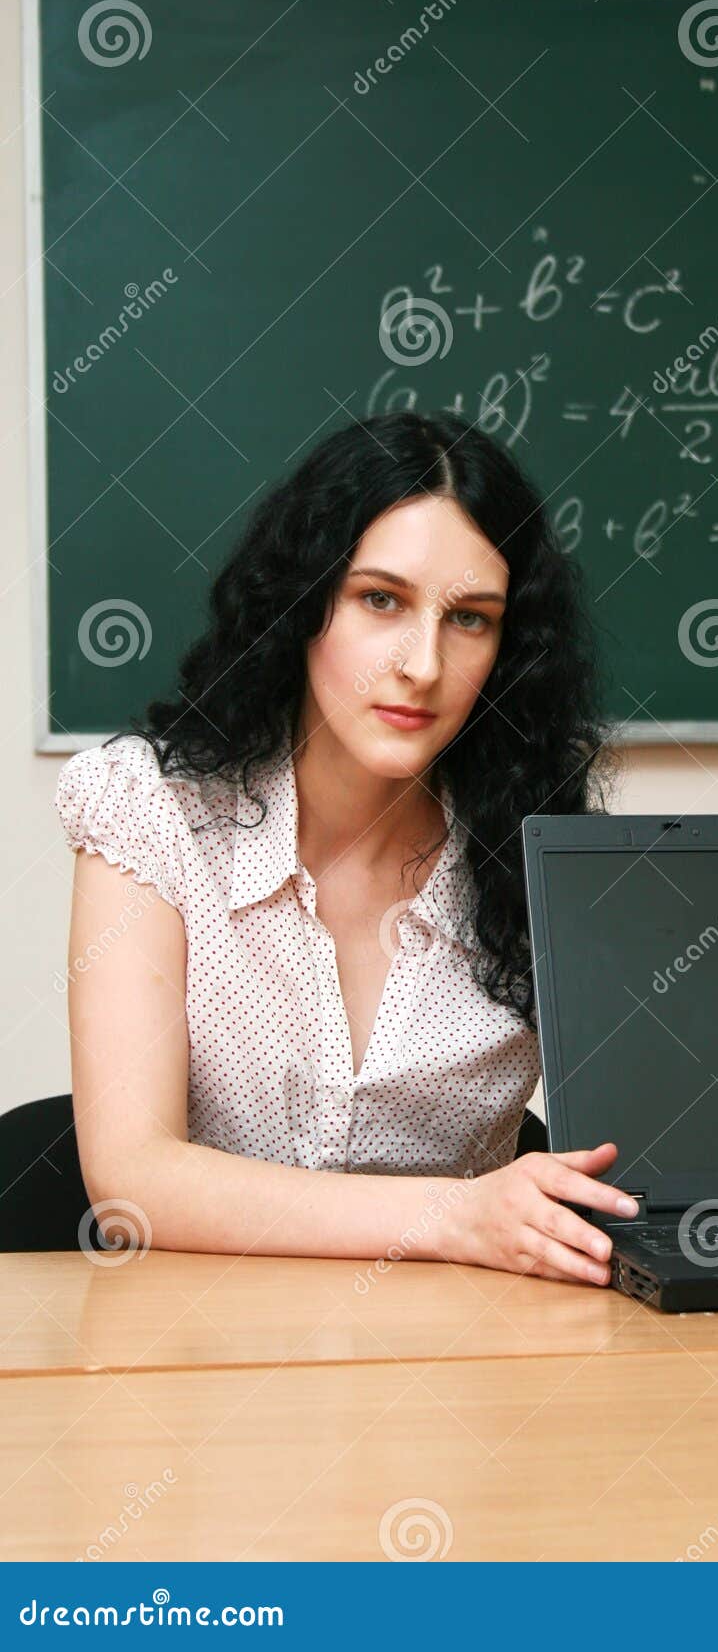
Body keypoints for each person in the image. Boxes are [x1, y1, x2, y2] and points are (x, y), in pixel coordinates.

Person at [55, 410, 641, 1284]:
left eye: (471, 619)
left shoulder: (542, 851)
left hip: (463, 1378)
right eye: (380, 600)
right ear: (305, 605)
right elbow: (133, 1175)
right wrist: (453, 1216)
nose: (422, 665)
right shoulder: (150, 807)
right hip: (198, 1371)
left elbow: (645, 1150)